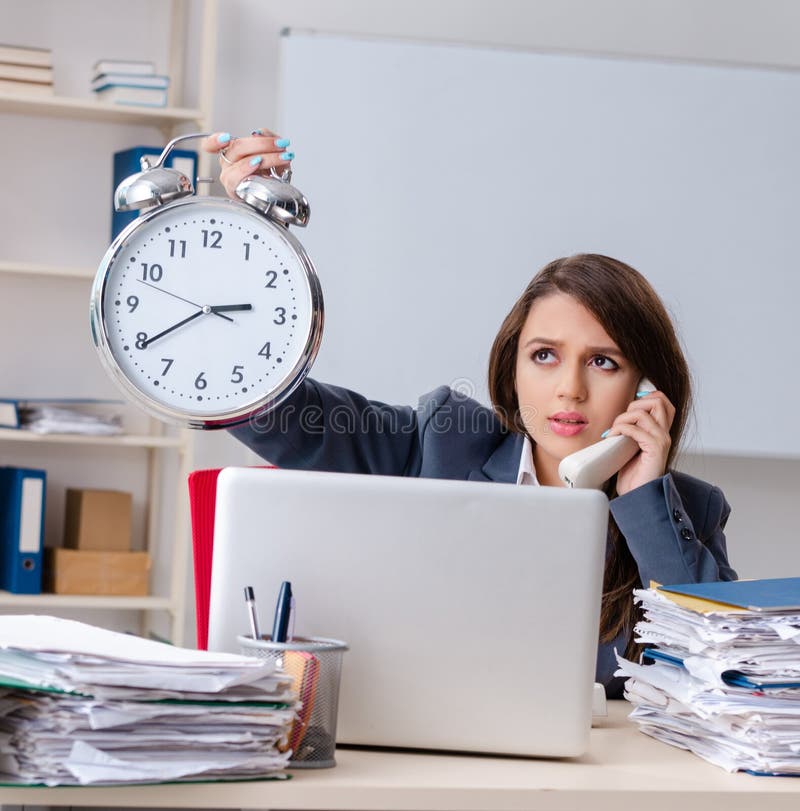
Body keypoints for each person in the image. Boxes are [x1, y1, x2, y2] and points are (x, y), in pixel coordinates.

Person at [203, 131, 737, 698]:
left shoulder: (686, 512)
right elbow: (281, 414)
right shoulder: (442, 444)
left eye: (603, 362)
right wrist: (244, 251)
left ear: (646, 388)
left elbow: (726, 678)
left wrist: (643, 500)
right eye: (545, 356)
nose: (569, 389)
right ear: (513, 366)